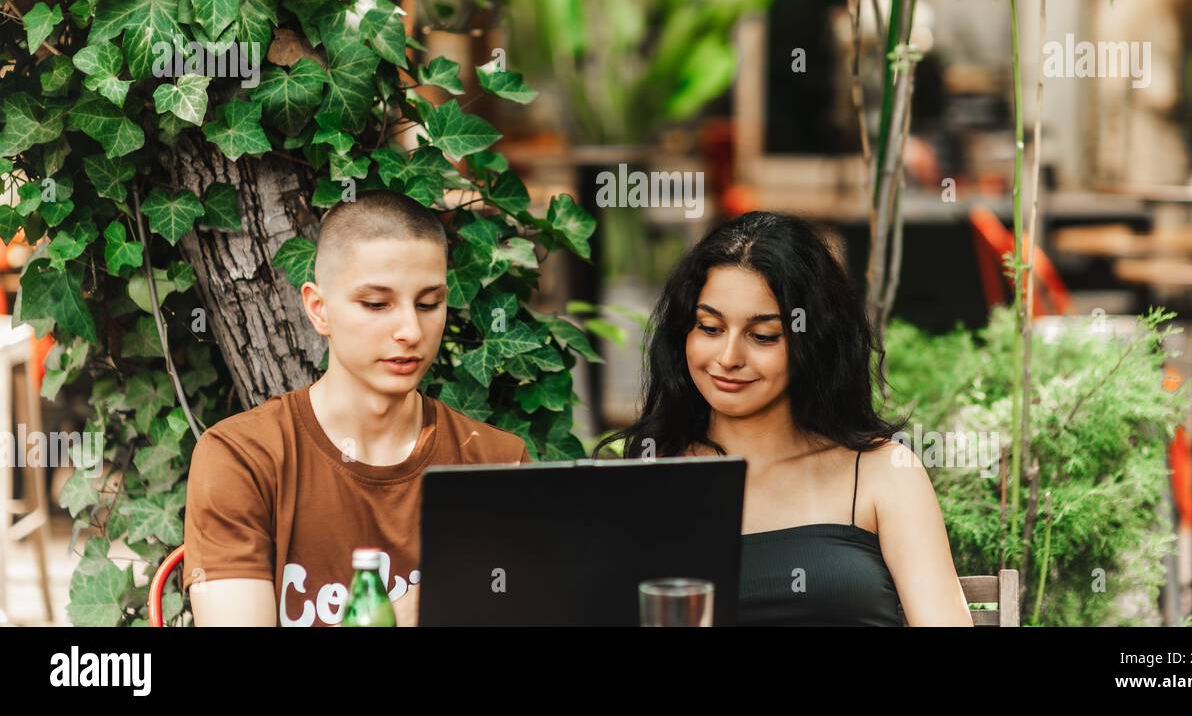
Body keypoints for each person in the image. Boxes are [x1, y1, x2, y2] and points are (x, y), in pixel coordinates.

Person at [597, 211, 973, 625]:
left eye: (762, 336)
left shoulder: (884, 472)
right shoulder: (650, 475)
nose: (728, 358)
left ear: (813, 341)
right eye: (709, 327)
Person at [183, 189, 529, 626]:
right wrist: (410, 608)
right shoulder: (242, 457)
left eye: (429, 303)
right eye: (376, 304)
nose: (409, 329)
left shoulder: (496, 463)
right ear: (319, 309)